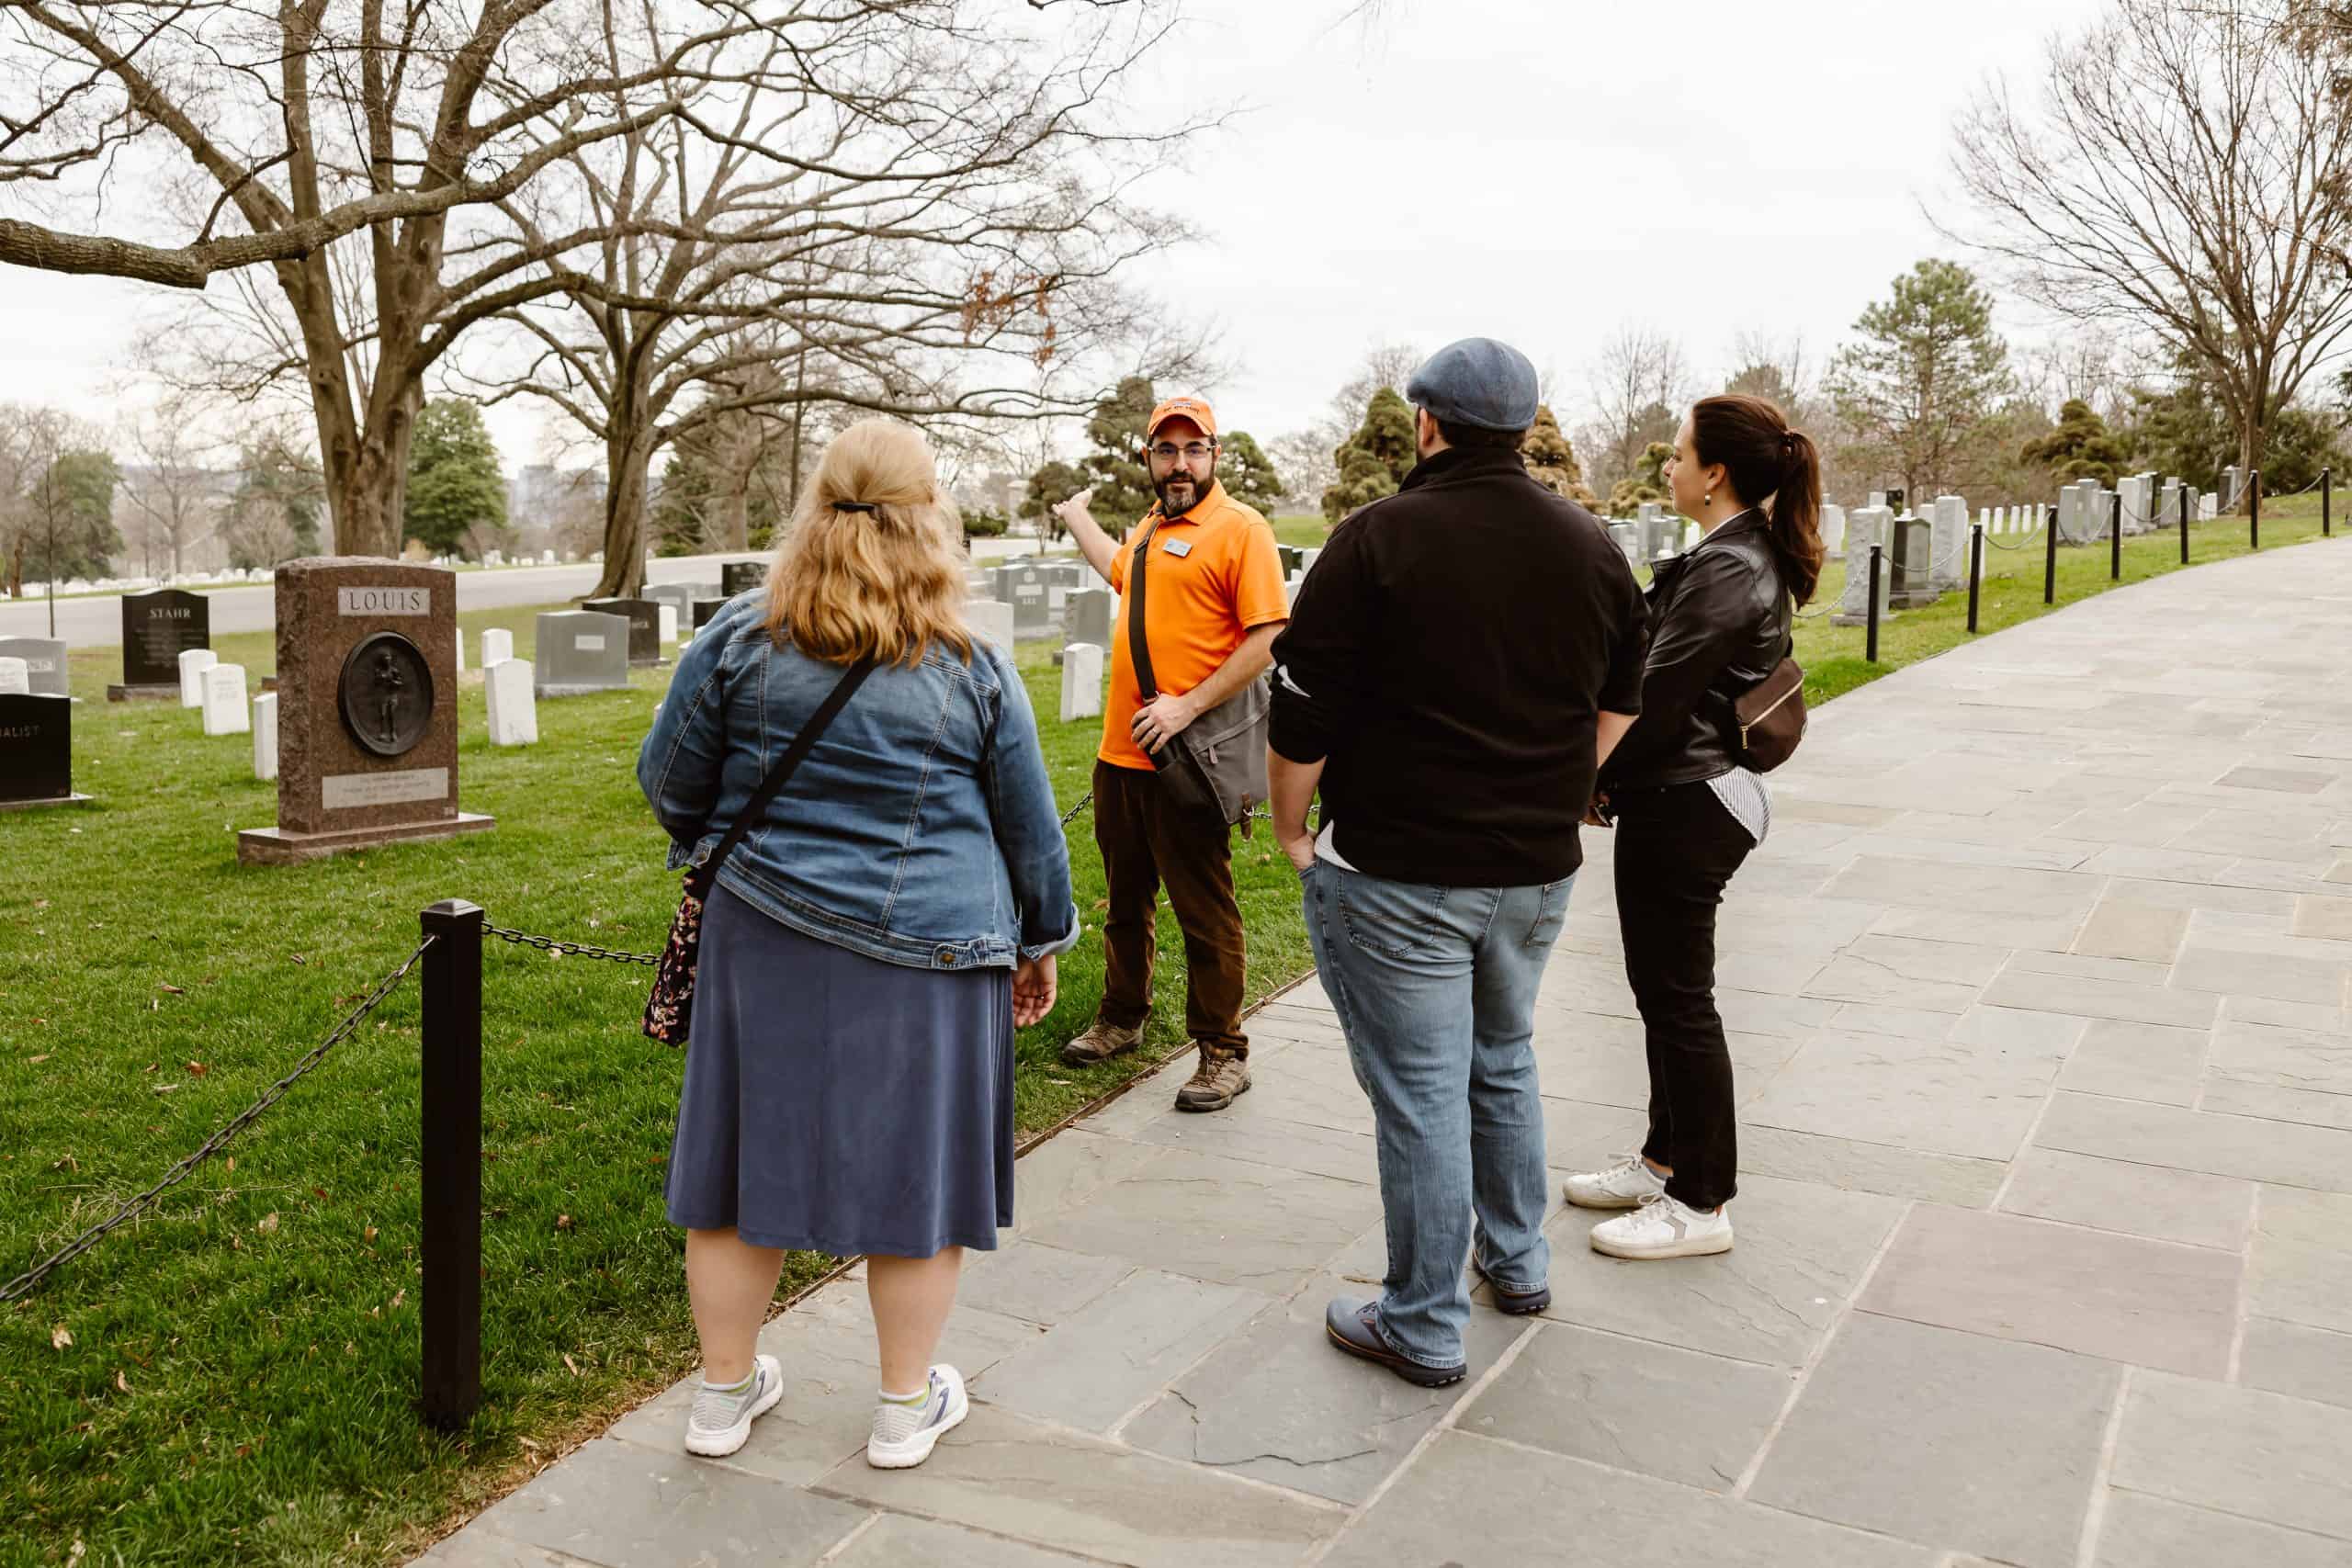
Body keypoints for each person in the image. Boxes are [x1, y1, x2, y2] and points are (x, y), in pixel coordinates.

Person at [637, 418, 1077, 1469]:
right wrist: (1043, 937)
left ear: (814, 505)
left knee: (740, 1174)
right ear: (933, 517)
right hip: (929, 954)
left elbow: (666, 781)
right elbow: (1031, 830)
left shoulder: (743, 637)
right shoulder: (971, 663)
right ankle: (899, 1407)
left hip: (764, 942)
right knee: (913, 1186)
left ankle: (721, 1398)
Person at [1266, 339, 1648, 1386]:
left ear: (1427, 424)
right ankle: (1517, 1266)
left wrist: (1290, 826)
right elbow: (1623, 695)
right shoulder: (1589, 542)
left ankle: (1423, 1321)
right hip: (1534, 866)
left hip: (1399, 871)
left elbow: (1302, 710)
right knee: (1501, 1058)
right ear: (1523, 429)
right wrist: (1567, 785)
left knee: (1424, 1093)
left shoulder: (1376, 537)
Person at [1566, 394, 1825, 1260]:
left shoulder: (1730, 565)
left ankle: (1703, 1202)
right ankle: (1662, 1159)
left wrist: (1588, 780)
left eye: (1679, 454)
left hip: (1689, 798)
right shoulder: (1732, 552)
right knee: (1662, 991)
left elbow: (1656, 702)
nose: (1669, 466)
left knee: (1680, 1000)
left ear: (1715, 472)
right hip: (1678, 793)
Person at [1049, 396, 1289, 1112]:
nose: (1179, 463)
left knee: (1203, 909)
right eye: (1165, 449)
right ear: (1149, 458)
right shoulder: (1154, 527)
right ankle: (1123, 1017)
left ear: (1215, 454)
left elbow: (1270, 634)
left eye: (1193, 448)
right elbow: (1120, 572)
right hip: (1120, 756)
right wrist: (1075, 519)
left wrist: (1186, 704)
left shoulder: (1240, 529)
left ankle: (1224, 1050)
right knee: (1125, 902)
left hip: (1190, 755)